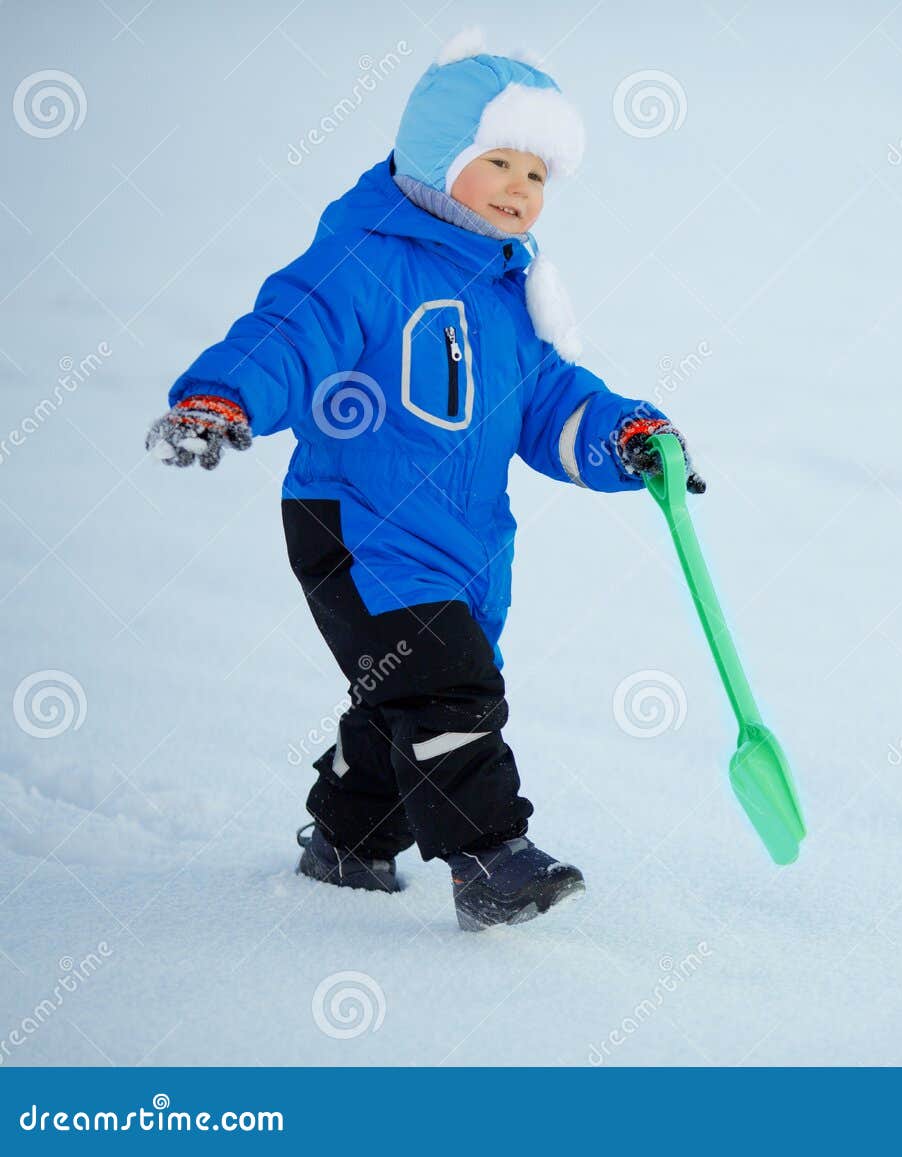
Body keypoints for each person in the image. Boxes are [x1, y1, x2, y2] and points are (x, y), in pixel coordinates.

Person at [143, 28, 704, 931]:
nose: (523, 190)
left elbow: (553, 406)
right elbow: (290, 330)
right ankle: (492, 859)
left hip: (463, 545)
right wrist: (222, 397)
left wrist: (623, 434)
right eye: (503, 164)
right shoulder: (368, 257)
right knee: (449, 694)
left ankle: (347, 841)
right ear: (440, 158)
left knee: (404, 700)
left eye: (538, 176)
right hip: (356, 525)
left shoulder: (508, 296)